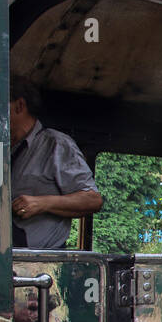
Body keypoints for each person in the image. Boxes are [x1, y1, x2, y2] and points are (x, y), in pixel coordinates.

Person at [9, 76, 103, 248]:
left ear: (19, 106)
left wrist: (41, 203)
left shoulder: (56, 144)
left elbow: (92, 200)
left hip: (38, 264)